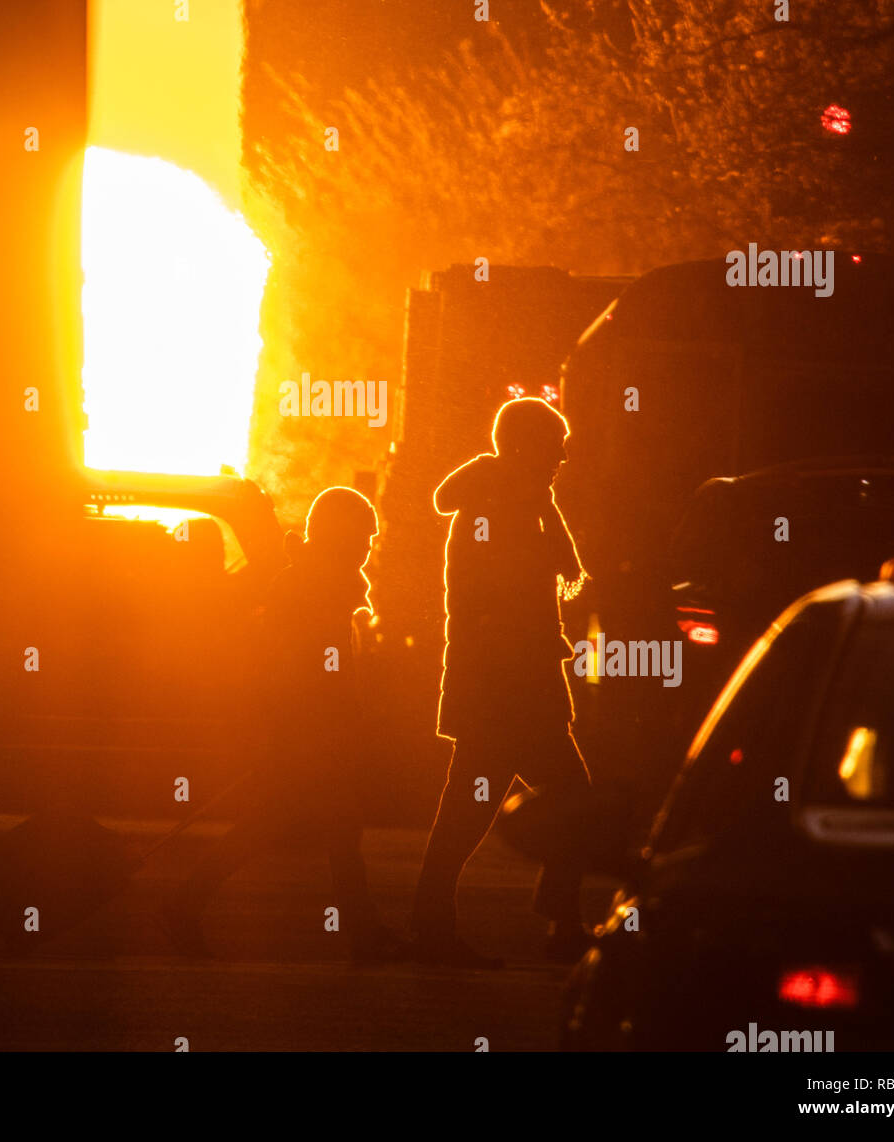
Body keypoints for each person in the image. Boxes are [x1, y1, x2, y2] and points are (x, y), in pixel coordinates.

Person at [161, 487, 402, 962]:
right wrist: (328, 718)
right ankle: (363, 931)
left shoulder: (318, 581)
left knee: (295, 825)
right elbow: (306, 667)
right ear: (339, 536)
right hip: (306, 731)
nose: (368, 547)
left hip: (309, 728)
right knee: (321, 825)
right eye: (362, 537)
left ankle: (186, 903)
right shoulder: (315, 587)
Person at [410, 397, 593, 968]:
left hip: (515, 692)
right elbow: (497, 607)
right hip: (505, 695)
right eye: (553, 446)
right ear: (524, 446)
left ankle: (553, 919)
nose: (562, 458)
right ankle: (554, 919)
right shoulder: (500, 507)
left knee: (478, 812)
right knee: (563, 802)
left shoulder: (519, 504)